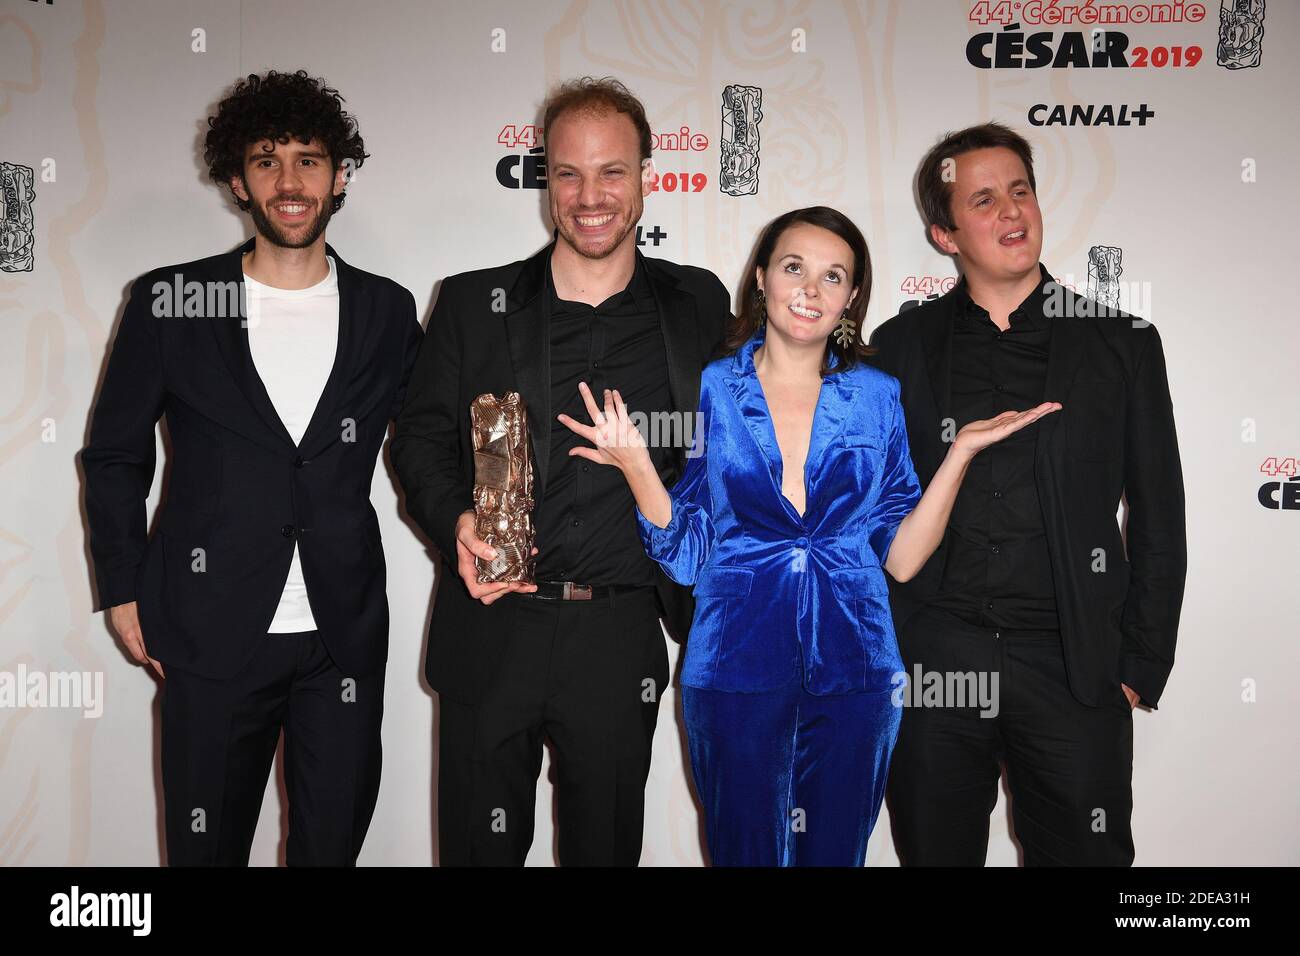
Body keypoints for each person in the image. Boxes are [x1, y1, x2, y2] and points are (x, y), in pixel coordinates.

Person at [558, 206, 1058, 866]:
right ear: (761, 276)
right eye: (794, 267)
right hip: (735, 666)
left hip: (856, 671)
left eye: (833, 276)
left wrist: (960, 455)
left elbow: (902, 558)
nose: (810, 290)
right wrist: (638, 467)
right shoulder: (713, 387)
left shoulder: (878, 396)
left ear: (851, 297)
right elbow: (686, 555)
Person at [81, 70, 422, 865]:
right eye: (267, 160)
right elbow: (114, 454)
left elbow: (426, 443)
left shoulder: (387, 310)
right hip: (208, 631)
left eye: (309, 159)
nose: (290, 180)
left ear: (340, 177)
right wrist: (123, 588)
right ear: (237, 179)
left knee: (330, 851)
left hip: (340, 637)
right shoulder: (173, 299)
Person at [392, 77, 730, 866]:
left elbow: (738, 449)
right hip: (493, 625)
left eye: (612, 171)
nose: (590, 197)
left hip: (619, 635)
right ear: (545, 180)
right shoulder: (477, 304)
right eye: (569, 173)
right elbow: (420, 439)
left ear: (647, 177)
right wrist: (456, 524)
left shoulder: (698, 305)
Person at [868, 122, 1186, 866]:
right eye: (984, 199)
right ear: (944, 235)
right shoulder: (897, 349)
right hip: (933, 662)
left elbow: (1159, 512)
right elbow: (872, 512)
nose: (1012, 212)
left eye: (1021, 191)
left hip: (1073, 667)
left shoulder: (1123, 344)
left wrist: (1141, 663)